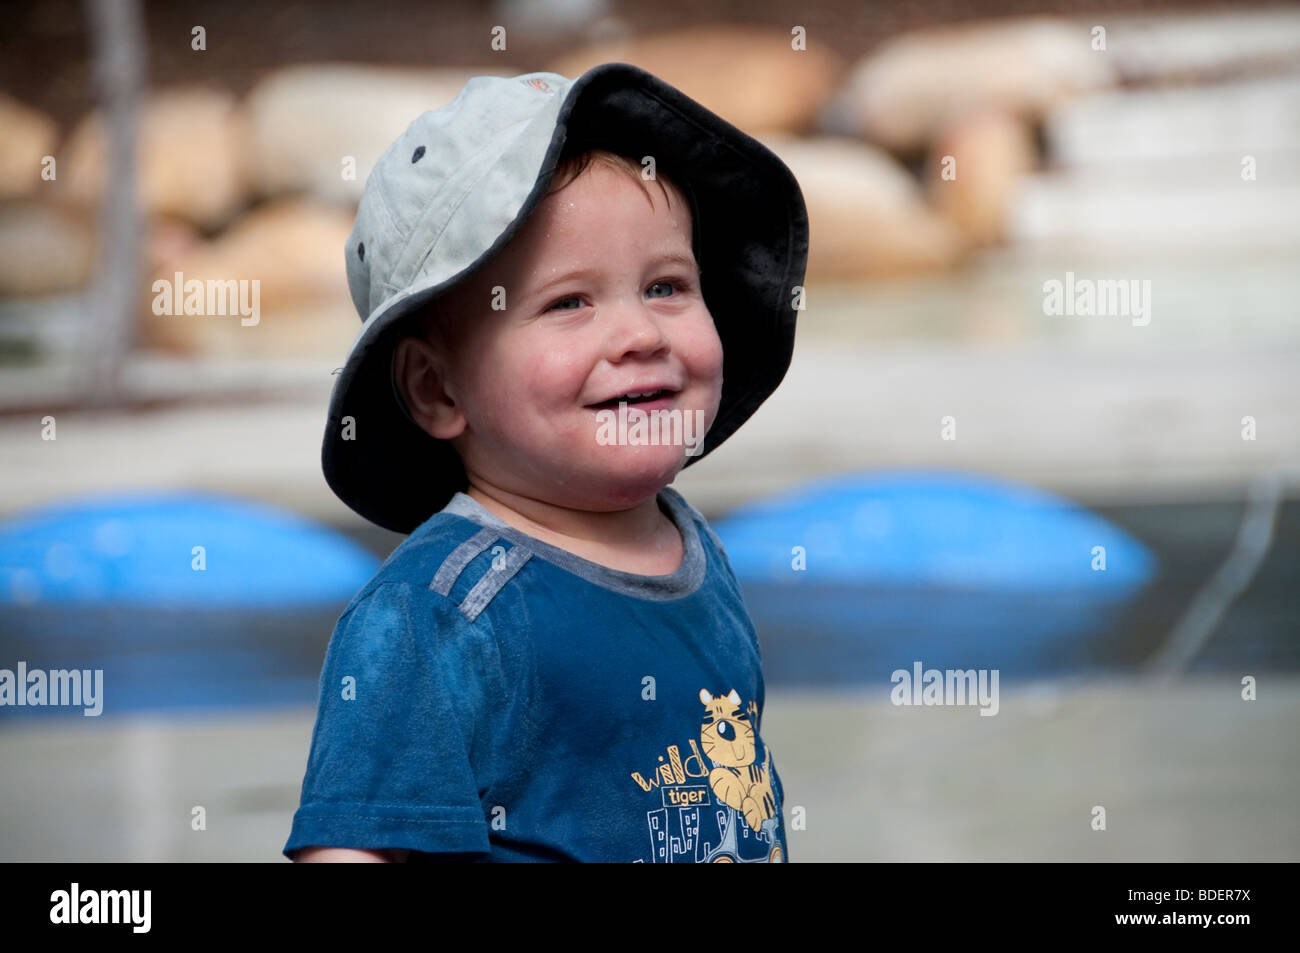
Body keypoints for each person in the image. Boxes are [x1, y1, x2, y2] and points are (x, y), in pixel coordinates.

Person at [283, 62, 809, 863]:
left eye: (667, 285)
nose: (640, 334)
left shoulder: (695, 551)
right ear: (435, 388)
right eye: (570, 302)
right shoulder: (437, 616)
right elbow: (352, 851)